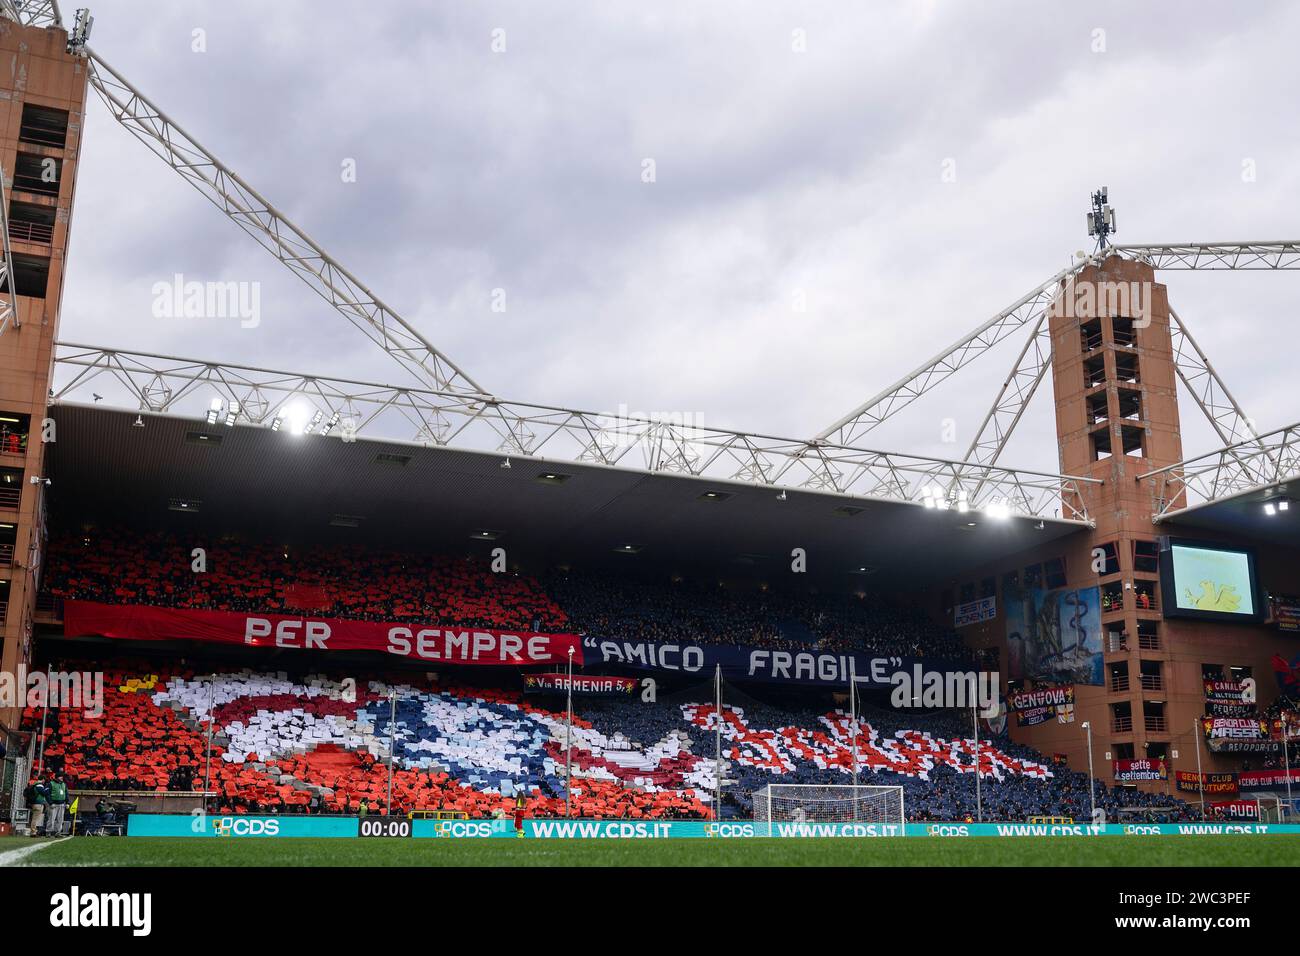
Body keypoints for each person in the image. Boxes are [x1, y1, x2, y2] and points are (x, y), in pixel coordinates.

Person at [46, 772, 69, 837]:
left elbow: (66, 794)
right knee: (51, 819)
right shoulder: (50, 784)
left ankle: (58, 832)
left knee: (60, 819)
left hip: (62, 804)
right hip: (53, 804)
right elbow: (47, 794)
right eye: (60, 776)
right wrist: (50, 803)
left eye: (62, 776)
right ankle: (48, 832)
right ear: (57, 777)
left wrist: (67, 802)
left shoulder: (64, 784)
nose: (62, 778)